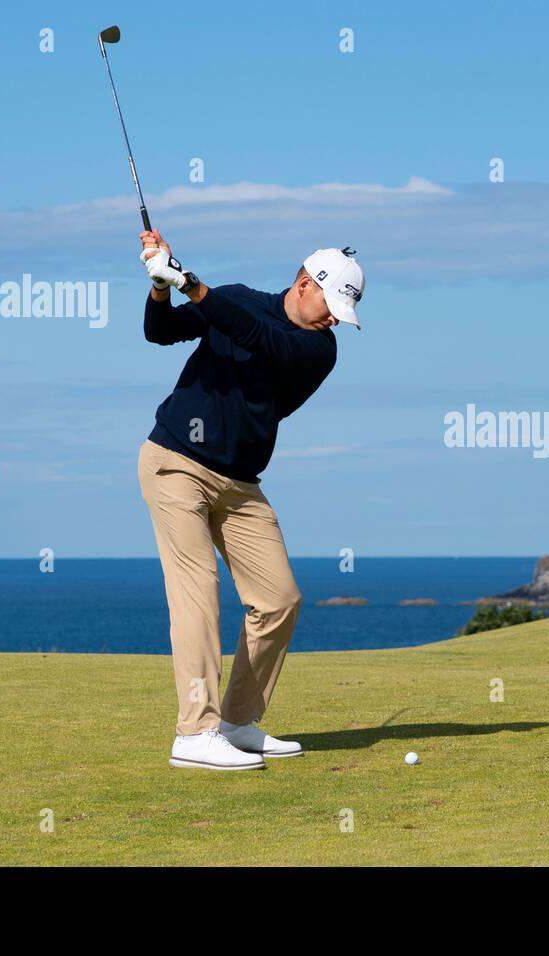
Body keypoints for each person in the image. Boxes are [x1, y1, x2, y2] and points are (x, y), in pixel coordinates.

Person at [135, 229, 364, 770]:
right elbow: (159, 333)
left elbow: (263, 340)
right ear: (304, 284)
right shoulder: (234, 297)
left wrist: (190, 283)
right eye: (331, 305)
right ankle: (194, 733)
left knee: (279, 598)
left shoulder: (317, 350)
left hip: (240, 485)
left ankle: (236, 723)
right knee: (198, 595)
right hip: (175, 463)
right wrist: (161, 286)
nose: (335, 318)